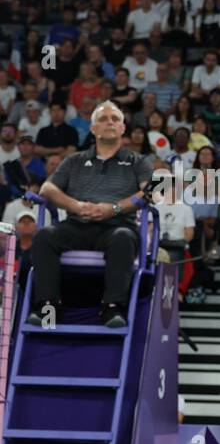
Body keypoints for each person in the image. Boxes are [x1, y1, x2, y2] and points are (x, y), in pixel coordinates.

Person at [29, 101, 152, 328]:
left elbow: (150, 193)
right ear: (93, 129)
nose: (110, 123)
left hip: (116, 226)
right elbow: (47, 189)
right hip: (76, 225)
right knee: (45, 235)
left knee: (124, 238)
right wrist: (76, 206)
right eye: (103, 119)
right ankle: (49, 307)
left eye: (115, 119)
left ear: (123, 129)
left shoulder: (138, 161)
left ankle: (112, 309)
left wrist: (113, 208)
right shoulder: (74, 160)